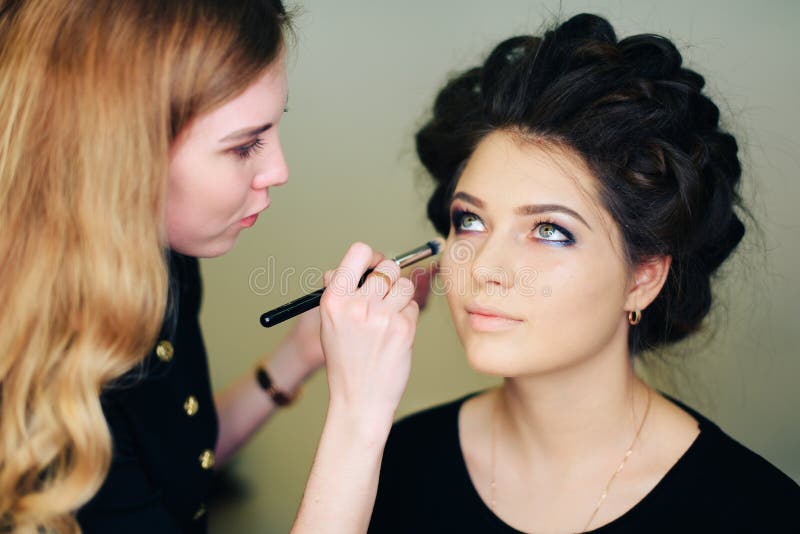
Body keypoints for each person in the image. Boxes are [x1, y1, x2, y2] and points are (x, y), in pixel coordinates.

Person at [0, 1, 425, 533]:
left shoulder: (160, 264)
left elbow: (165, 466)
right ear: (122, 156)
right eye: (244, 145)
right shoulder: (35, 372)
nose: (279, 170)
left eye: (274, 128)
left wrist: (299, 355)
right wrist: (361, 411)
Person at [369, 13, 800, 533]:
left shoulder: (756, 511)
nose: (482, 269)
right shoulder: (395, 461)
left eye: (550, 230)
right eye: (471, 220)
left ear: (643, 277)